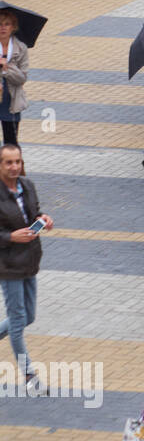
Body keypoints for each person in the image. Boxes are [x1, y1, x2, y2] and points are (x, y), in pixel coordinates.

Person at [0, 143, 52, 396]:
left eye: (17, 162)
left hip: (30, 260)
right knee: (19, 320)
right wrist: (10, 237)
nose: (14, 167)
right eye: (8, 162)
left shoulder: (27, 185)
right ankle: (29, 375)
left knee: (28, 316)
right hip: (7, 265)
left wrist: (44, 220)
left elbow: (35, 213)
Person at [0, 9, 29, 148]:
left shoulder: (21, 48)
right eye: (0, 24)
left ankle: (13, 168)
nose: (3, 27)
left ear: (13, 27)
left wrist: (6, 69)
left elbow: (22, 78)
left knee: (11, 142)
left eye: (7, 24)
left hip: (10, 100)